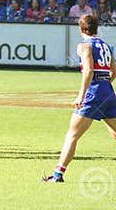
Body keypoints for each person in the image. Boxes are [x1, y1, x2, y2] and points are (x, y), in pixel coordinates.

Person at [43, 14, 116, 182]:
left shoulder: (84, 46)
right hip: (108, 92)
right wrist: (105, 85)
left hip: (94, 94)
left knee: (72, 135)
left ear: (81, 29)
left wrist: (81, 95)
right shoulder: (105, 45)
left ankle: (57, 175)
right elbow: (114, 69)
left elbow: (89, 70)